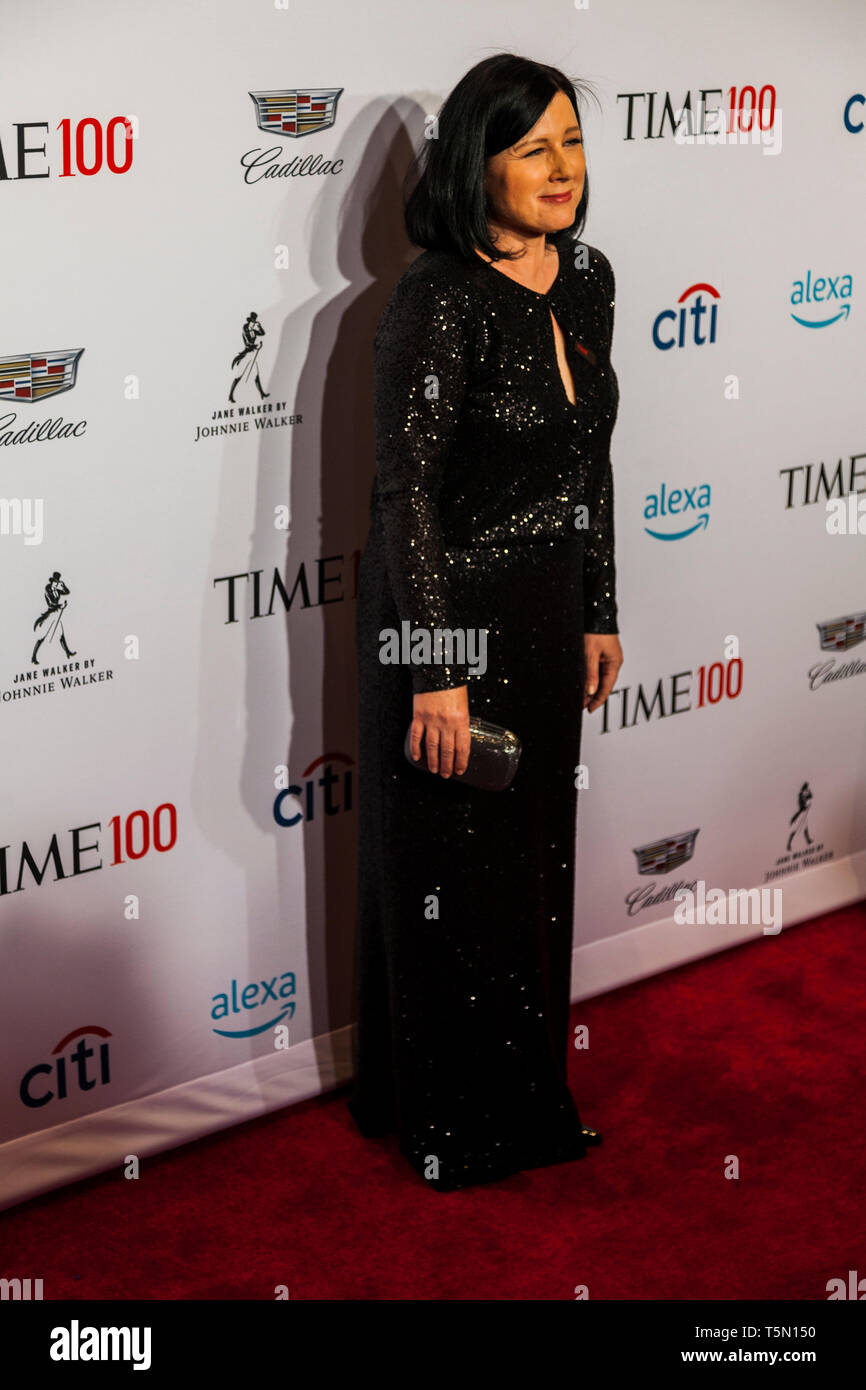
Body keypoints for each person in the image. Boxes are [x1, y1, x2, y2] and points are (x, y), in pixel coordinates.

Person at [347, 52, 623, 1191]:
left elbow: (588, 458)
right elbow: (403, 489)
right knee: (448, 879)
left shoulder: (591, 276)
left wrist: (598, 605)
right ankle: (442, 1119)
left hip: (546, 617)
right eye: (531, 149)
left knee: (530, 873)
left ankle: (524, 1100)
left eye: (570, 142)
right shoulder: (438, 296)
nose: (561, 170)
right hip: (443, 620)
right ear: (478, 163)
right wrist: (435, 669)